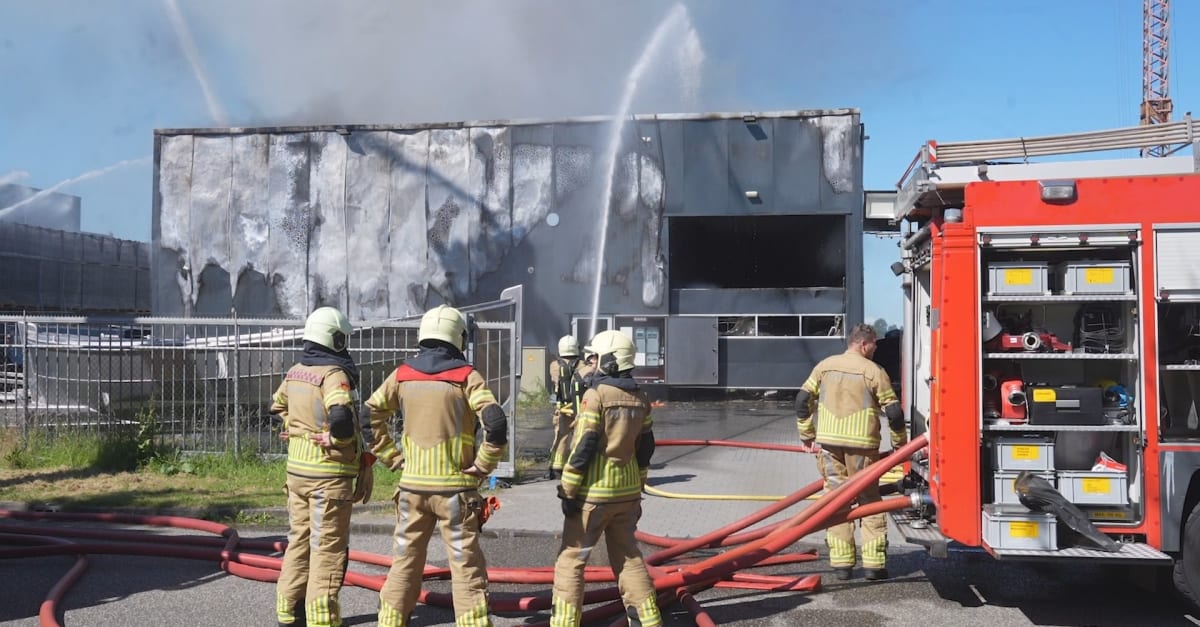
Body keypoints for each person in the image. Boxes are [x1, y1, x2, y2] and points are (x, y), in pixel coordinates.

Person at [365, 304, 508, 627]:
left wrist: (392, 457)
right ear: (458, 337)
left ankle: (390, 620)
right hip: (455, 492)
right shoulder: (466, 377)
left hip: (412, 489)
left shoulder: (402, 375)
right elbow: (495, 421)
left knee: (405, 559)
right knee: (464, 564)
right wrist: (484, 464)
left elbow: (368, 414)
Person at [551, 330, 661, 627]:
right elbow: (646, 447)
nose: (591, 362)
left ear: (609, 362)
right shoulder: (641, 398)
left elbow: (584, 444)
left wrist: (568, 490)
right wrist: (639, 485)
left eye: (595, 357)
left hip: (593, 497)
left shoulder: (595, 396)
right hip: (626, 496)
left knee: (572, 561)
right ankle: (649, 622)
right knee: (628, 559)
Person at [272, 306, 372, 627]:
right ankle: (322, 620)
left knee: (298, 542)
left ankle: (288, 613)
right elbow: (341, 418)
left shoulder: (295, 372)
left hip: (297, 474)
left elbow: (276, 406)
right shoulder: (333, 375)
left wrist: (294, 427)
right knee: (327, 549)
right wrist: (336, 439)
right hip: (327, 478)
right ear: (336, 339)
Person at [795, 323, 906, 582]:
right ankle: (874, 566)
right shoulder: (874, 371)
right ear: (864, 344)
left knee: (836, 501)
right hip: (863, 448)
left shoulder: (825, 365)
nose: (876, 348)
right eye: (875, 344)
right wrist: (901, 445)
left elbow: (802, 401)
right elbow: (894, 413)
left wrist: (807, 436)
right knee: (869, 502)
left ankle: (842, 566)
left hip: (829, 445)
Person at [545, 335, 589, 480]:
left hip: (561, 408)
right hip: (579, 409)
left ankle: (556, 469)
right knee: (579, 437)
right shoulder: (584, 365)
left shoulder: (554, 366)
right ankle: (577, 468)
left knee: (560, 437)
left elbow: (553, 381)